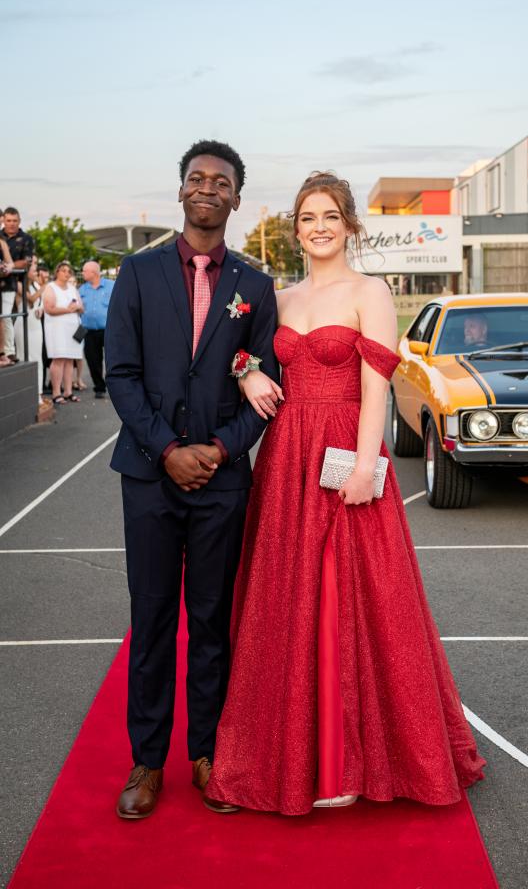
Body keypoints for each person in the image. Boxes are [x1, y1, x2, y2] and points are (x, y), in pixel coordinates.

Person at [204, 172, 485, 816]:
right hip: (285, 460)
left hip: (345, 450)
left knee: (352, 593)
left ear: (349, 224)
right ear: (295, 228)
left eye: (330, 215)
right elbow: (242, 355)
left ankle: (353, 759)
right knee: (288, 595)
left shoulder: (372, 292)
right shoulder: (279, 295)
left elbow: (377, 388)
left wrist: (365, 464)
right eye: (307, 218)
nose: (319, 227)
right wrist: (247, 375)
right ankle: (294, 757)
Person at [105, 139, 278, 821]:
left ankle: (207, 753)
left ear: (236, 198)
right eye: (197, 178)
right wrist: (169, 449)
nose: (208, 188)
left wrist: (222, 450)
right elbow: (119, 375)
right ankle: (147, 761)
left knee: (211, 622)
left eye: (222, 181)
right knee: (151, 621)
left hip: (222, 481)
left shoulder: (255, 286)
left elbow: (267, 384)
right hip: (149, 477)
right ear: (182, 191)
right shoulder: (138, 273)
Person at [42, 261, 85, 404]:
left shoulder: (73, 288)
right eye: (64, 270)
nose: (67, 273)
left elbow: (82, 308)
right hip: (57, 330)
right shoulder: (50, 287)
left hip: (73, 330)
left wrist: (77, 308)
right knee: (59, 359)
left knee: (70, 359)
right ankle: (56, 393)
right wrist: (69, 309)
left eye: (69, 271)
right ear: (57, 272)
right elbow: (49, 309)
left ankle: (68, 391)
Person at [0, 207, 35, 361]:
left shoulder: (26, 238)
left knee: (6, 316)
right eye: (8, 220)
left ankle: (8, 351)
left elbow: (27, 261)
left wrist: (11, 266)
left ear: (19, 221)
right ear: (4, 221)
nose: (11, 224)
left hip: (11, 283)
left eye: (14, 221)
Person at [78, 260, 114, 398]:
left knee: (113, 359)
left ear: (93, 272)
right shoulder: (81, 289)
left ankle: (116, 384)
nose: (82, 273)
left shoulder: (112, 286)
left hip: (109, 330)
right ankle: (99, 387)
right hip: (89, 331)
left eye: (85, 271)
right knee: (93, 360)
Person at [15, 257, 47, 401]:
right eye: (34, 270)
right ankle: (26, 394)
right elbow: (31, 299)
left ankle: (38, 393)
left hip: (36, 324)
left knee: (38, 359)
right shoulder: (19, 284)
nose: (36, 273)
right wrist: (44, 287)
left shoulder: (35, 284)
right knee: (24, 358)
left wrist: (41, 310)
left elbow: (39, 303)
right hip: (23, 325)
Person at [0, 232, 14, 367]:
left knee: (1, 319)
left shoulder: (1, 241)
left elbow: (10, 263)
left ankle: (1, 354)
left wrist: (7, 267)